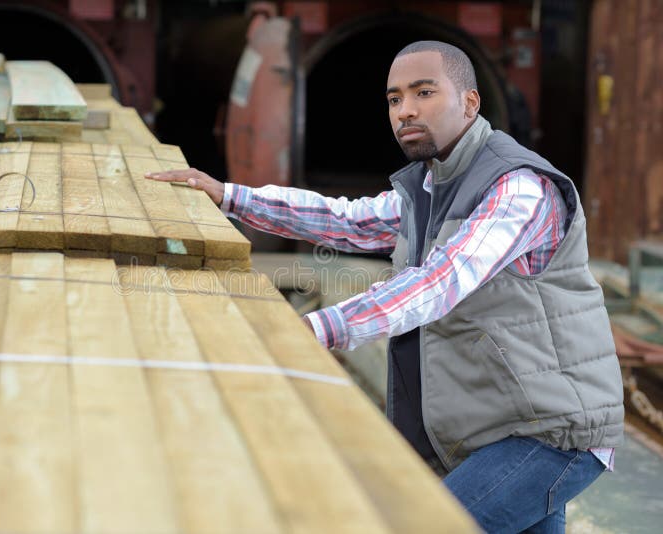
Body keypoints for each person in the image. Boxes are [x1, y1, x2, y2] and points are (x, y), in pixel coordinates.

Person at [146, 40, 623, 533]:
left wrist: (315, 329)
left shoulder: (518, 187)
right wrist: (229, 196)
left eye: (424, 92)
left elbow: (440, 281)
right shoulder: (430, 189)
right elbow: (347, 222)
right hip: (496, 427)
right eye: (395, 99)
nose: (406, 111)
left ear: (470, 102)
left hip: (551, 432)